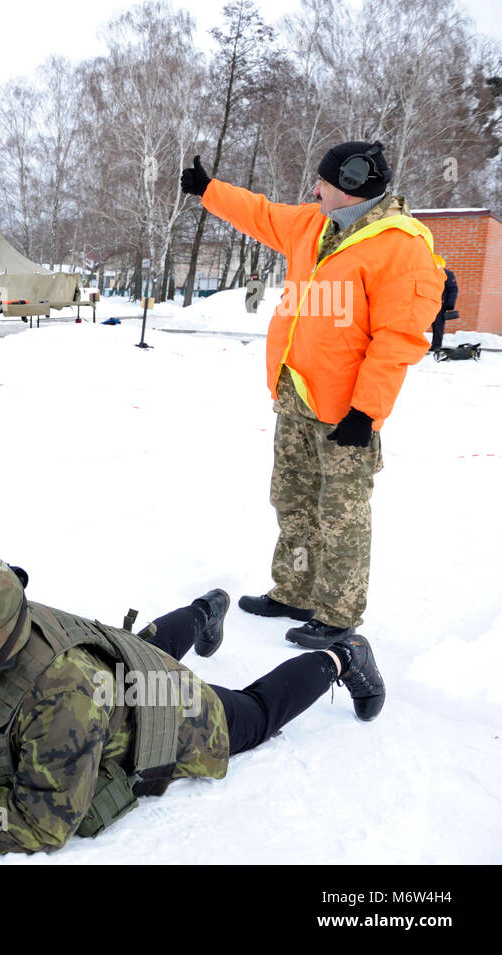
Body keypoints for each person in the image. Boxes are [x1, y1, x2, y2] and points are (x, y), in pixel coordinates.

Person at [0, 554, 386, 853]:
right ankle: (204, 612)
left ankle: (343, 658)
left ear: (2, 647)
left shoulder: (61, 694)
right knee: (141, 651)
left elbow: (42, 822)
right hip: (109, 680)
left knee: (250, 714)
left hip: (157, 704)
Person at [181, 142, 443, 649]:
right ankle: (295, 591)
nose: (314, 188)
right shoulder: (314, 223)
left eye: (323, 181)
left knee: (341, 514)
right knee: (293, 500)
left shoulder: (403, 247)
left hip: (346, 412)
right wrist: (209, 191)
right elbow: (260, 213)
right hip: (294, 395)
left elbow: (398, 340)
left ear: (350, 184)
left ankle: (338, 613)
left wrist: (366, 412)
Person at [429, 267, 458, 354]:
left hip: (441, 304)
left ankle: (436, 345)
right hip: (429, 302)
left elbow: (453, 289)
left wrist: (450, 304)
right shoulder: (429, 271)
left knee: (438, 325)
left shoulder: (447, 273)